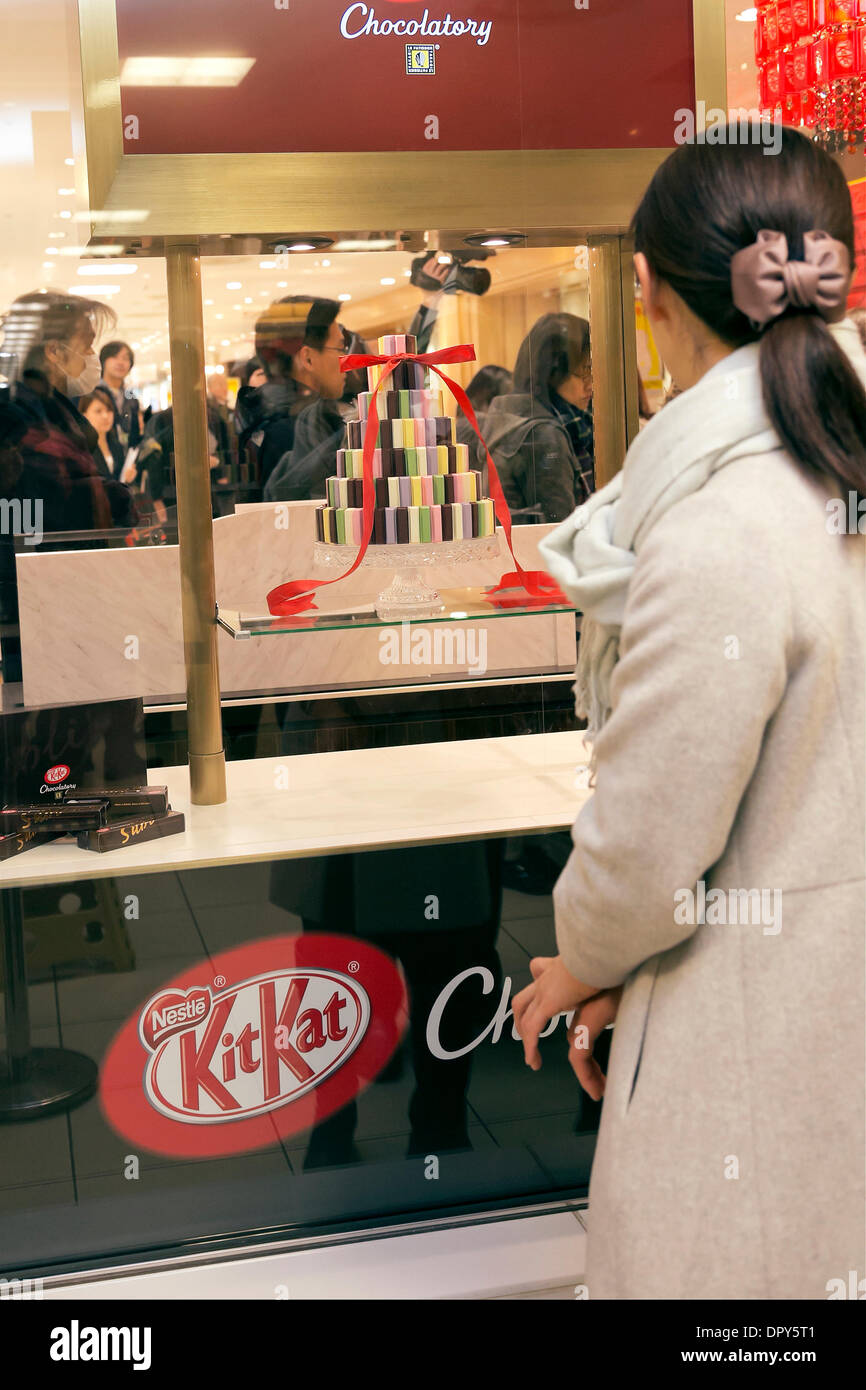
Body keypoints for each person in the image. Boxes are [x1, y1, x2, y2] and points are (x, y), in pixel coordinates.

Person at [512, 125, 865, 1299]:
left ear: (648, 291)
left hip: (759, 1033)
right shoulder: (837, 474)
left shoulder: (717, 523)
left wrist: (578, 957)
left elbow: (652, 840)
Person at [0, 291, 137, 682]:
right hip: (39, 601)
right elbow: (43, 505)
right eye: (87, 346)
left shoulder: (54, 411)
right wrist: (114, 496)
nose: (91, 357)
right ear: (55, 352)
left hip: (67, 589)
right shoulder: (17, 416)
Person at [232, 297, 347, 498]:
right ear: (308, 358)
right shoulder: (304, 429)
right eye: (340, 349)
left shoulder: (259, 420)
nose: (346, 361)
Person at [484, 314, 594, 523]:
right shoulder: (546, 435)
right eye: (584, 372)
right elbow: (561, 528)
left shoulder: (510, 414)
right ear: (553, 373)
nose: (591, 384)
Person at [96, 339, 142, 473]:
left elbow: (134, 435)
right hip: (100, 463)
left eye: (125, 358)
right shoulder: (93, 394)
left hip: (124, 468)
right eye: (114, 357)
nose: (120, 362)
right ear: (103, 361)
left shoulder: (131, 399)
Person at [79, 390, 119, 477]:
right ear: (84, 415)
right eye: (98, 411)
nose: (105, 416)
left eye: (109, 410)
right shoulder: (80, 448)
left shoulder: (116, 444)